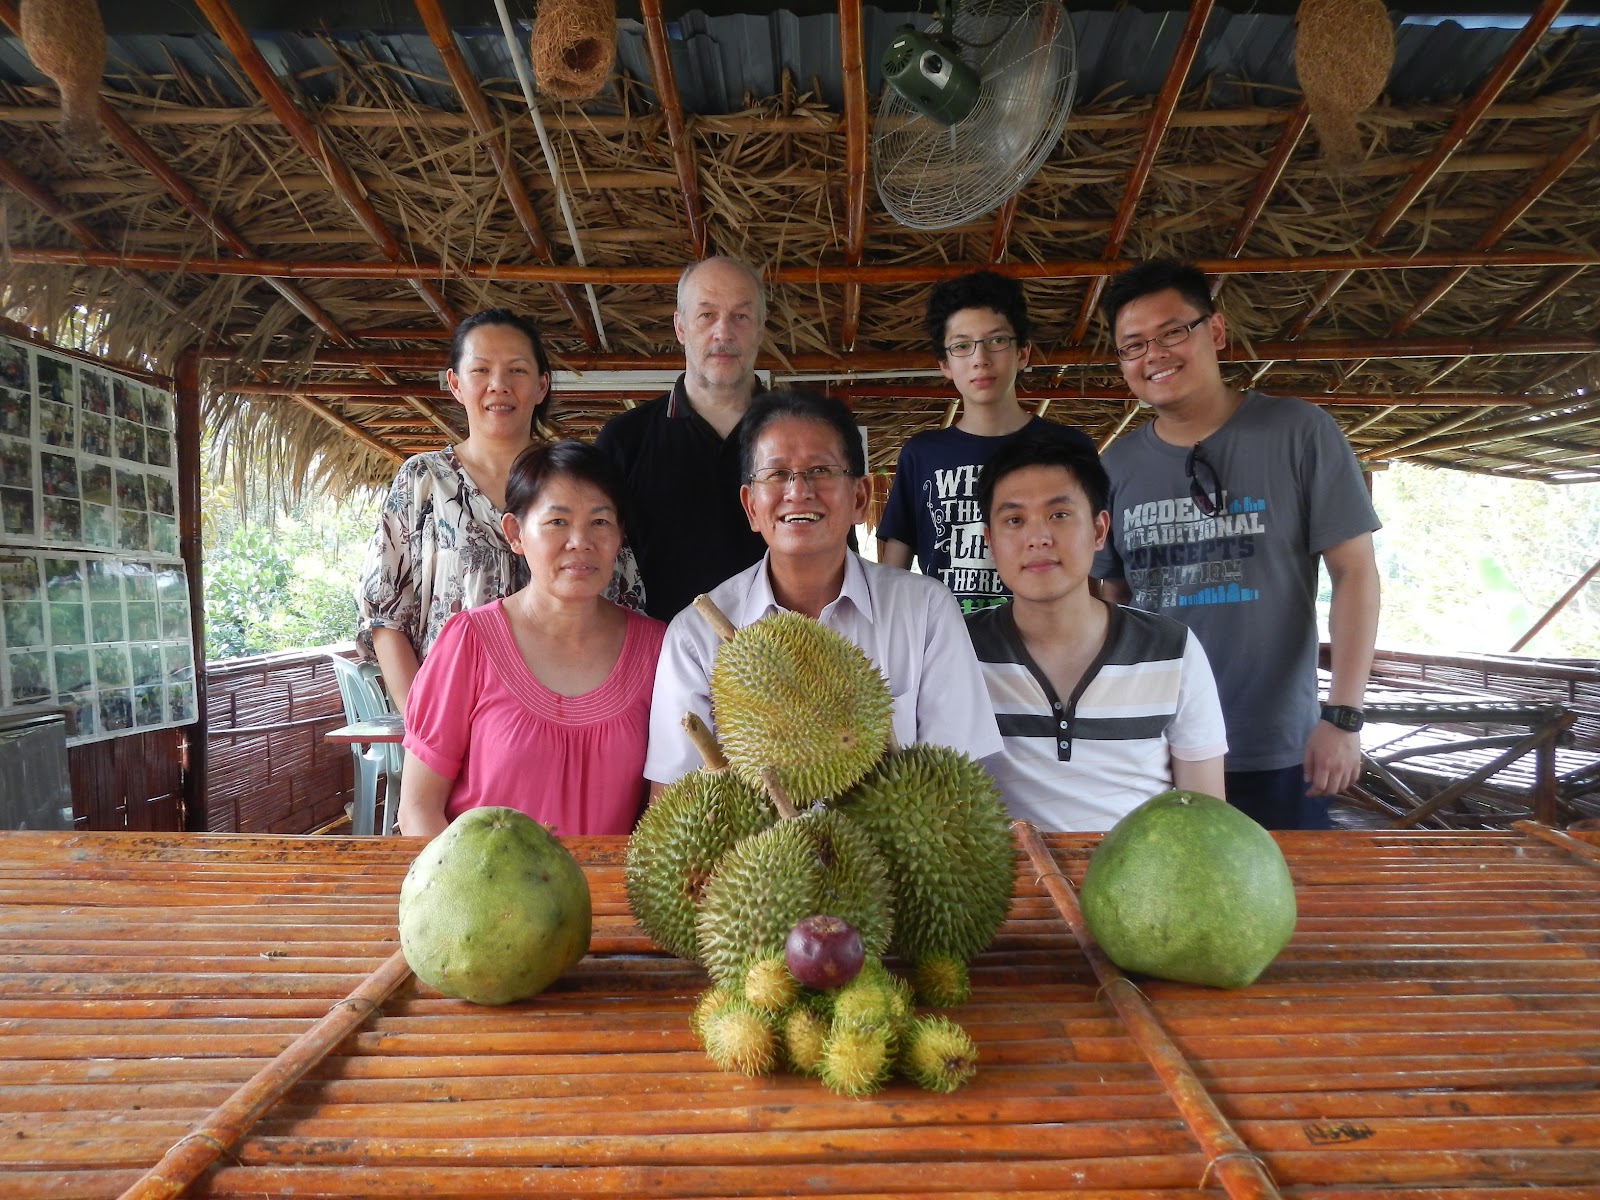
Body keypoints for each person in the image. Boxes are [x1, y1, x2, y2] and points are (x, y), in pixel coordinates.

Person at [1091, 259, 1381, 830]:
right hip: (1154, 749)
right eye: (1134, 345)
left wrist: (1343, 716)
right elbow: (1107, 599)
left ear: (1216, 332)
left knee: (1291, 910)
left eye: (1173, 331)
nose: (1156, 354)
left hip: (1277, 748)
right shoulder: (1114, 467)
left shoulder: (1299, 432)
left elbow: (1356, 574)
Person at [645, 389, 1003, 788]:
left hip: (890, 849)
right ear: (750, 507)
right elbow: (674, 793)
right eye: (777, 474)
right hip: (754, 851)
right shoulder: (694, 637)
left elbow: (959, 782)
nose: (799, 491)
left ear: (860, 498)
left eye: (821, 470)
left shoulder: (926, 611)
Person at [356, 308, 644, 713]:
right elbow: (385, 613)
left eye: (517, 371)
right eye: (481, 371)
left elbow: (622, 593)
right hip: (456, 719)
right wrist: (422, 722)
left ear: (542, 384)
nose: (499, 386)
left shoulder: (578, 478)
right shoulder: (425, 480)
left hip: (573, 712)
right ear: (455, 384)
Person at [396, 440, 666, 838]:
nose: (580, 541)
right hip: (483, 894)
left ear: (619, 535)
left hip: (615, 896)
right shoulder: (469, 643)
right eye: (557, 522)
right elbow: (418, 809)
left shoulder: (659, 650)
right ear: (515, 533)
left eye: (600, 522)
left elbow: (666, 813)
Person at [965, 438, 1227, 831]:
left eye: (1059, 515)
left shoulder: (1172, 648)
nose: (1038, 538)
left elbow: (1207, 818)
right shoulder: (956, 649)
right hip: (1000, 887)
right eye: (1014, 520)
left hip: (1141, 885)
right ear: (991, 542)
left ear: (1099, 530)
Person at [877, 269, 1095, 613]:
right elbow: (893, 571)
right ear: (944, 364)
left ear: (1023, 353)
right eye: (962, 346)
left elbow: (1091, 560)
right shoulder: (922, 454)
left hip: (1045, 646)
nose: (980, 358)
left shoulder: (1069, 447)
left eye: (996, 340)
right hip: (949, 646)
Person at [595, 256, 769, 622]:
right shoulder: (625, 440)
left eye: (740, 315)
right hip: (657, 662)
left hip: (785, 662)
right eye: (706, 315)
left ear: (760, 328)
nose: (723, 332)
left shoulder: (803, 436)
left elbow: (836, 557)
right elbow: (597, 562)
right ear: (680, 327)